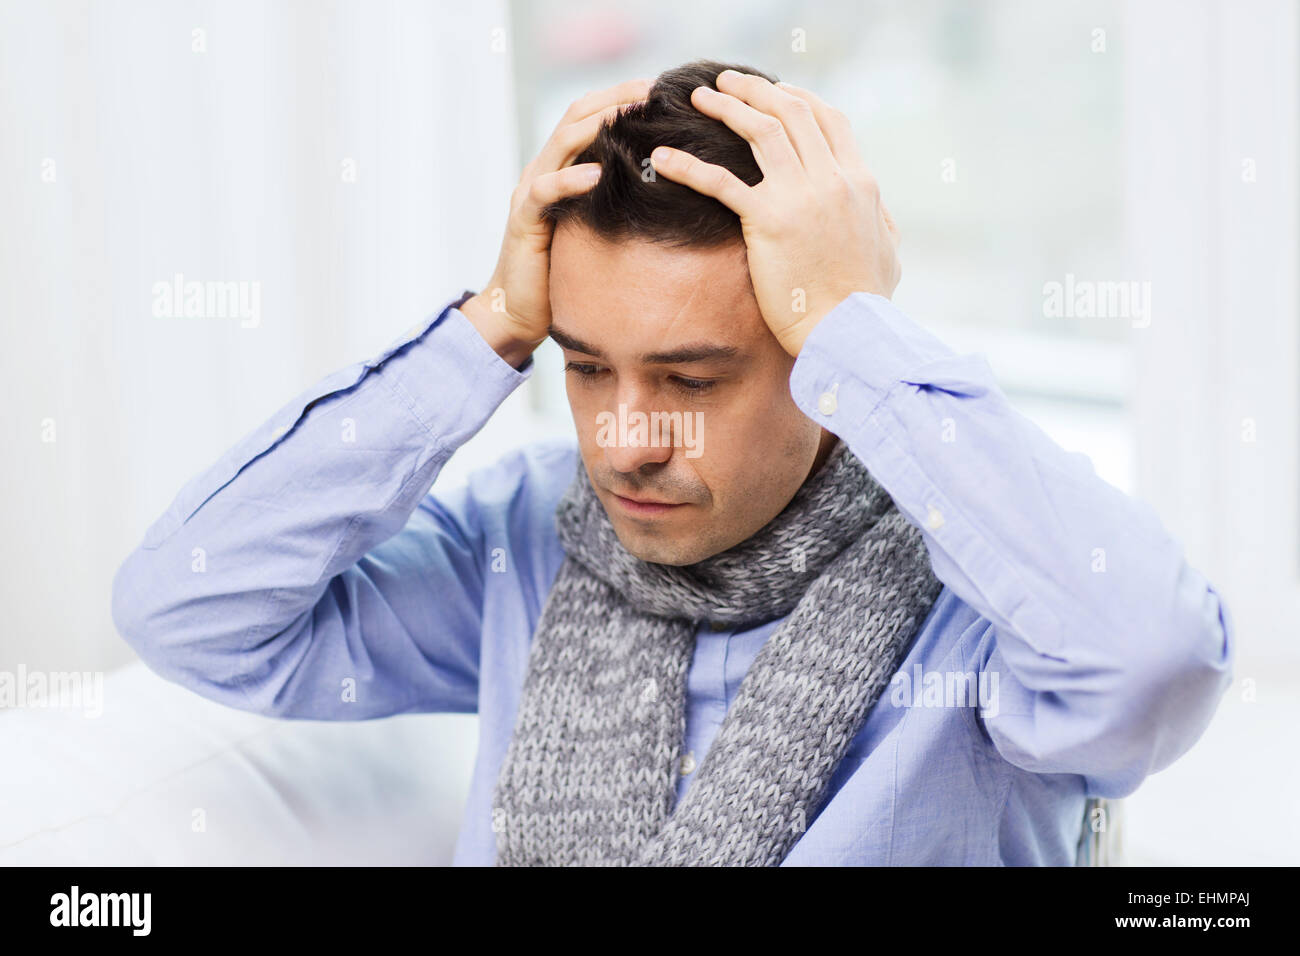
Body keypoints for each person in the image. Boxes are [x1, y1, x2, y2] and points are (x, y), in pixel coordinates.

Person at [111, 59, 1234, 866]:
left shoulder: (988, 596)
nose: (623, 440)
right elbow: (189, 605)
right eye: (586, 366)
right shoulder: (525, 540)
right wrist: (490, 324)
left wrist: (859, 334)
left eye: (691, 381)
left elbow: (1151, 662)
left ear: (825, 370)